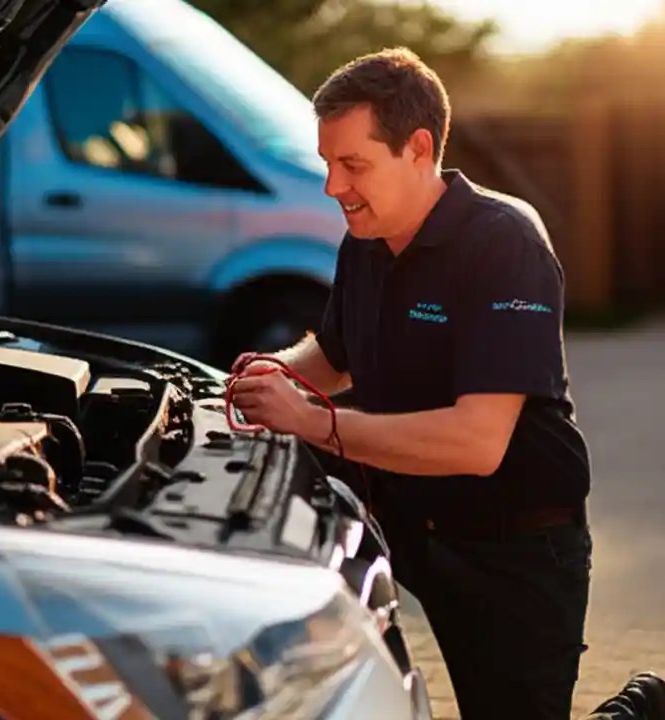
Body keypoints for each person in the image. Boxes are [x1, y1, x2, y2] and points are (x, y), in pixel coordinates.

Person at [227, 47, 593, 719]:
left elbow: (477, 442)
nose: (333, 187)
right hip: (408, 526)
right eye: (327, 164)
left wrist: (311, 421)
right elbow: (333, 357)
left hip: (514, 551)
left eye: (353, 165)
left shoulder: (504, 243)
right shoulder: (364, 240)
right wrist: (271, 374)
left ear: (418, 149)